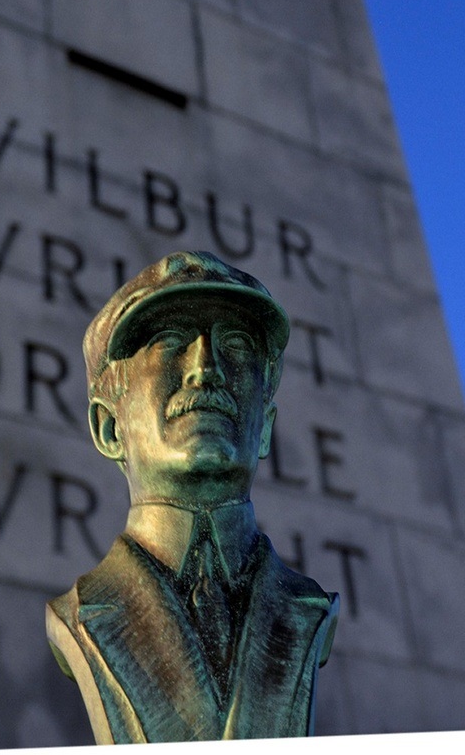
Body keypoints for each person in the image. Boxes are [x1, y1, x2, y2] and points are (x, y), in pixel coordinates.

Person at [46, 251, 338, 743]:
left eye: (238, 345)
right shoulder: (83, 611)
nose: (206, 368)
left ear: (265, 429)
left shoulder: (307, 606)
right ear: (110, 426)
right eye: (170, 339)